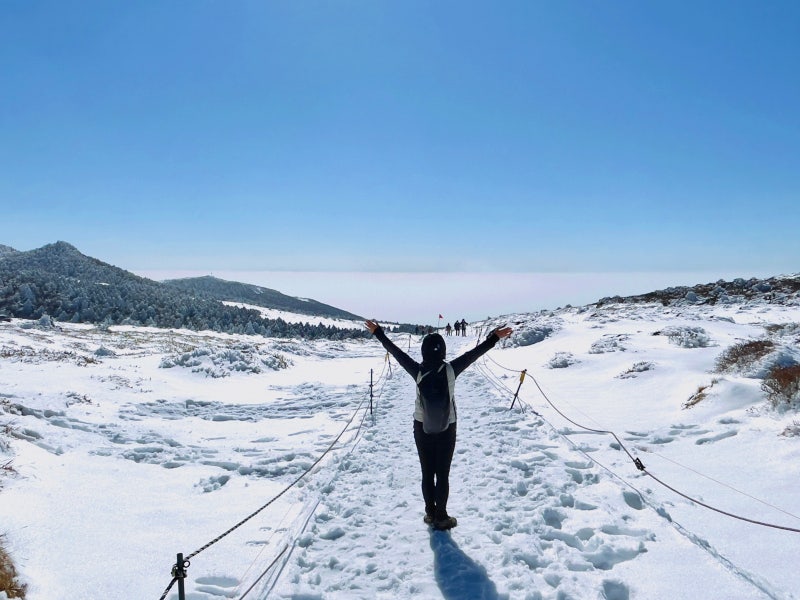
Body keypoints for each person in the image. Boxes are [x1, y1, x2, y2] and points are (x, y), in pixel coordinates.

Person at [364, 319, 513, 530]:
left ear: (424, 351)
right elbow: (474, 354)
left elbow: (396, 353)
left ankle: (430, 514)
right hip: (447, 427)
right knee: (442, 473)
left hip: (421, 426)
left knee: (427, 472)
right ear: (442, 350)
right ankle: (442, 517)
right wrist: (494, 338)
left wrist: (378, 332)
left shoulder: (416, 370)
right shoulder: (451, 369)